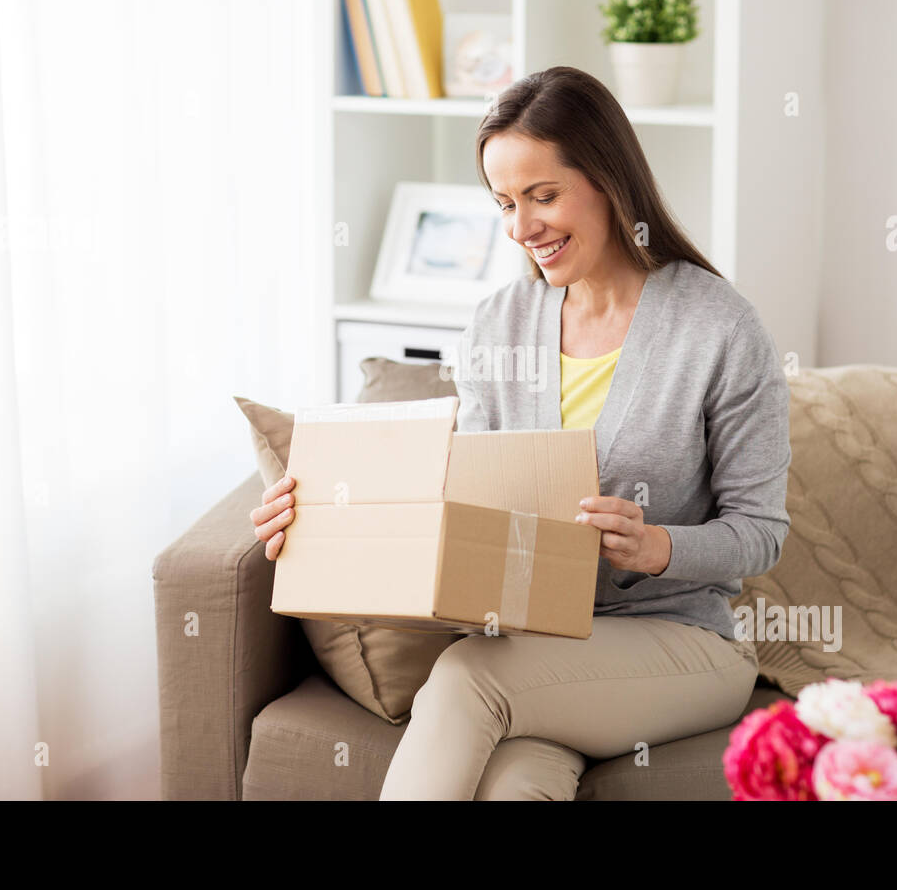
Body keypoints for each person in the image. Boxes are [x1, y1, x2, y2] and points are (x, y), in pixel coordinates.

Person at [250, 65, 791, 800]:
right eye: (505, 202)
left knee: (470, 677)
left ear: (611, 182)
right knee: (515, 787)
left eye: (543, 196)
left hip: (681, 644)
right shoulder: (498, 323)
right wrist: (318, 527)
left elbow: (760, 531)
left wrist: (658, 545)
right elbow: (463, 509)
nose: (521, 228)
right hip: (534, 648)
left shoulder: (719, 327)